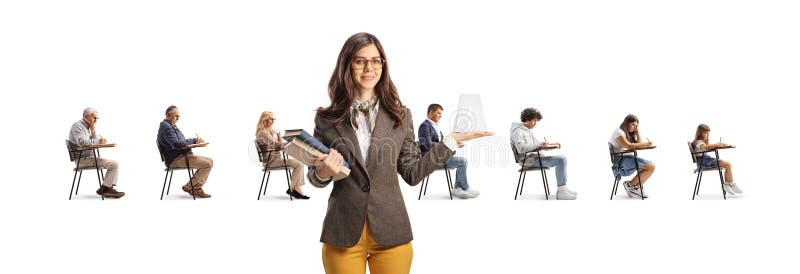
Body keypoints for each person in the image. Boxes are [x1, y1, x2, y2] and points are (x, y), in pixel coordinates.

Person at [307, 32, 492, 274]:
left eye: (376, 60)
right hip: (342, 233)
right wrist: (322, 172)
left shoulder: (400, 116)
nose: (369, 67)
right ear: (347, 64)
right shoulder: (327, 118)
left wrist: (449, 143)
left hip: (392, 232)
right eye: (360, 60)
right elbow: (314, 177)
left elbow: (412, 173)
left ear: (383, 65)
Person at [509, 107, 577, 200]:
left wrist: (552, 145)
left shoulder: (527, 131)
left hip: (535, 158)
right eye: (534, 121)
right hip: (528, 161)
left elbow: (537, 145)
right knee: (561, 159)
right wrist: (540, 144)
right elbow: (521, 148)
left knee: (562, 158)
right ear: (527, 119)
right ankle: (562, 190)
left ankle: (563, 188)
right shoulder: (517, 131)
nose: (535, 124)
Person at [418, 103, 479, 199]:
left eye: (441, 114)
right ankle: (463, 188)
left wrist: (455, 144)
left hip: (440, 157)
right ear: (431, 112)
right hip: (431, 160)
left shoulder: (435, 127)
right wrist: (448, 143)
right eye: (438, 113)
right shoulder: (424, 126)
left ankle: (458, 188)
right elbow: (428, 145)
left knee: (463, 161)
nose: (440, 116)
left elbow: (442, 144)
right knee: (462, 162)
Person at [157, 105, 214, 198]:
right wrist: (194, 141)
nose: (178, 119)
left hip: (182, 156)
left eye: (178, 116)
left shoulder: (171, 126)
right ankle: (190, 187)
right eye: (176, 116)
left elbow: (182, 142)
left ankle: (196, 188)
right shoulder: (166, 127)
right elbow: (177, 144)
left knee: (210, 161)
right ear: (168, 115)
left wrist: (195, 141)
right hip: (175, 159)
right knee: (207, 164)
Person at [68, 108, 124, 198]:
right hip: (82, 160)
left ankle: (105, 188)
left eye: (97, 118)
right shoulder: (77, 126)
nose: (96, 120)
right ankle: (106, 188)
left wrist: (93, 130)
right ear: (86, 117)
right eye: (94, 118)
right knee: (114, 164)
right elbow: (82, 142)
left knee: (113, 164)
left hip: (88, 158)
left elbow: (92, 141)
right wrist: (98, 141)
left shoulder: (87, 126)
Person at [256, 111, 309, 199]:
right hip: (271, 162)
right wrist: (290, 142)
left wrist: (278, 135)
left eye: (274, 119)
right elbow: (277, 145)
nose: (272, 121)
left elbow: (277, 144)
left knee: (299, 163)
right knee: (299, 164)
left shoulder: (267, 132)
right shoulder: (263, 134)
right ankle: (293, 189)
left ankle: (296, 188)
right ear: (264, 120)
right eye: (270, 119)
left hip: (275, 160)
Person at [610, 114, 656, 198]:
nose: (634, 127)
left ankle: (635, 187)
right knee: (651, 166)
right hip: (621, 160)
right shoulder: (619, 132)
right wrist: (646, 144)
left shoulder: (628, 133)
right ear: (626, 123)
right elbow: (628, 145)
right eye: (633, 125)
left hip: (626, 158)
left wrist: (637, 132)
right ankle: (630, 185)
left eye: (636, 126)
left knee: (651, 166)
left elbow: (639, 143)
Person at [693, 124, 742, 195]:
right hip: (704, 162)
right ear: (700, 132)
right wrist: (716, 145)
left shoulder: (701, 142)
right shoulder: (699, 142)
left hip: (706, 160)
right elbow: (704, 148)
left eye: (708, 133)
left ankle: (729, 184)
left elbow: (707, 147)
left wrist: (719, 145)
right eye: (705, 133)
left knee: (727, 164)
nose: (707, 135)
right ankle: (729, 184)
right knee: (728, 164)